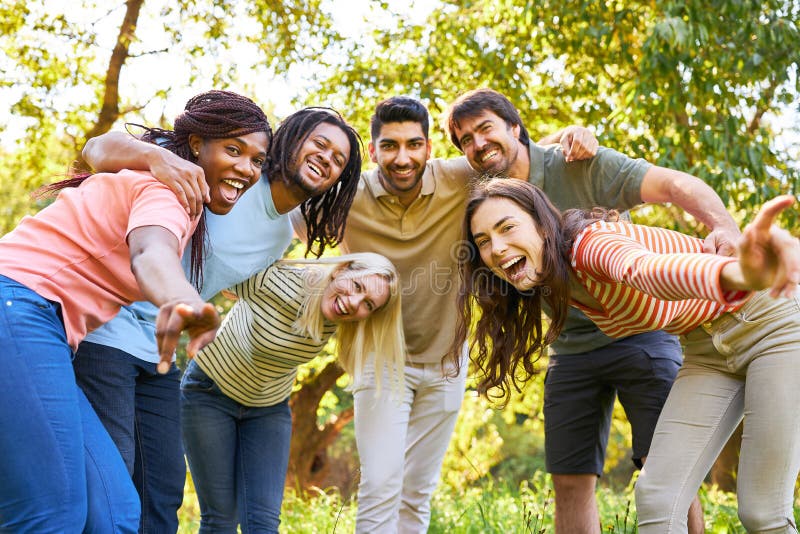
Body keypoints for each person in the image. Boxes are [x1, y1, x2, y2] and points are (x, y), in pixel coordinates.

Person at [443, 88, 742, 534]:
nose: (477, 143)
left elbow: (674, 186)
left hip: (642, 334)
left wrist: (724, 229)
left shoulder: (579, 162)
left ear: (514, 127)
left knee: (663, 468)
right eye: (465, 139)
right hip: (570, 349)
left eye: (485, 128)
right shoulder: (487, 203)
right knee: (569, 476)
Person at [291, 95, 596, 533]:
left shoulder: (458, 178)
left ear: (429, 149)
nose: (403, 157)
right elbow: (282, 217)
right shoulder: (347, 198)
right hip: (381, 362)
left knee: (417, 490)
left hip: (445, 363)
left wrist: (569, 138)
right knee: (381, 484)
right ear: (374, 151)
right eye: (390, 146)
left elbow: (512, 156)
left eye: (414, 144)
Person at [75, 105, 362, 533]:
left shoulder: (280, 236)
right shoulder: (229, 167)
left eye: (339, 159)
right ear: (290, 138)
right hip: (105, 328)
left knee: (163, 491)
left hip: (160, 351)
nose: (327, 158)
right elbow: (97, 148)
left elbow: (224, 282)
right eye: (319, 143)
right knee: (112, 479)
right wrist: (159, 157)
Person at [456, 177, 800, 534]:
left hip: (772, 325)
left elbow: (644, 270)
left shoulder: (588, 244)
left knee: (763, 512)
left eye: (507, 227)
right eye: (483, 241)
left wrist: (735, 273)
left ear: (542, 225)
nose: (496, 248)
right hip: (706, 350)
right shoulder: (556, 282)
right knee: (657, 497)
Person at [0, 88, 271, 532]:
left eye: (257, 160)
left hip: (39, 325)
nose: (246, 167)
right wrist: (183, 300)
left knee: (114, 511)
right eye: (234, 149)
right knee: (53, 514)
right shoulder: (168, 191)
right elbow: (150, 253)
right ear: (198, 145)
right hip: (17, 305)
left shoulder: (163, 183)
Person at [181, 252, 405, 532]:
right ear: (342, 269)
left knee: (262, 523)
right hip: (209, 393)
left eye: (367, 304)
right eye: (357, 287)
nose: (353, 302)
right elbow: (219, 271)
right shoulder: (280, 282)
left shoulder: (341, 321)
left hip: (267, 408)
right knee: (221, 519)